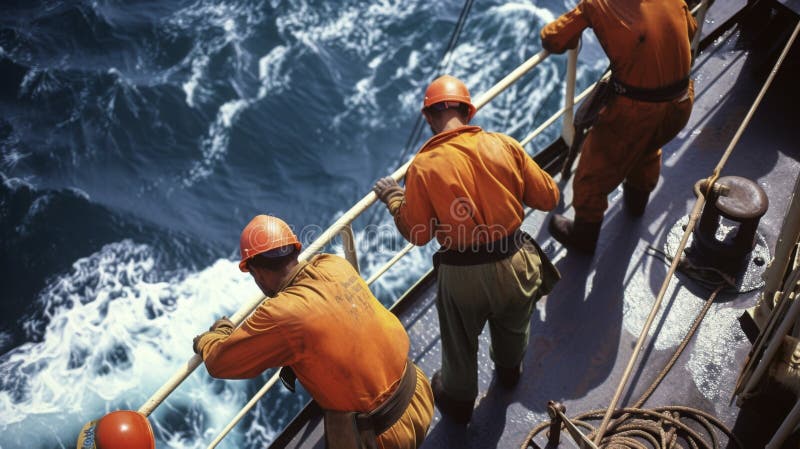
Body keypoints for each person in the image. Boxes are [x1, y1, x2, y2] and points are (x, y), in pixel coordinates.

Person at [372, 75, 561, 424]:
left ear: (429, 117)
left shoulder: (424, 167)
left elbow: (417, 233)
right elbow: (548, 197)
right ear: (468, 111)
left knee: (459, 344)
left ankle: (459, 402)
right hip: (516, 261)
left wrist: (394, 197)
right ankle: (509, 373)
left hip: (463, 278)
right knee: (514, 326)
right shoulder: (503, 144)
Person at [193, 215, 433, 449]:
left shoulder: (280, 313)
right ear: (295, 251)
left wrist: (211, 338)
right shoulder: (334, 264)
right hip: (419, 391)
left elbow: (219, 363)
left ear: (256, 273)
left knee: (339, 420)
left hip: (385, 436)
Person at [541, 0, 697, 253]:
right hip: (680, 102)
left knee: (594, 170)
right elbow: (690, 27)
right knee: (647, 149)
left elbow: (554, 40)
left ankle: (583, 237)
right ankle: (636, 205)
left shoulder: (596, 4)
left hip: (637, 112)